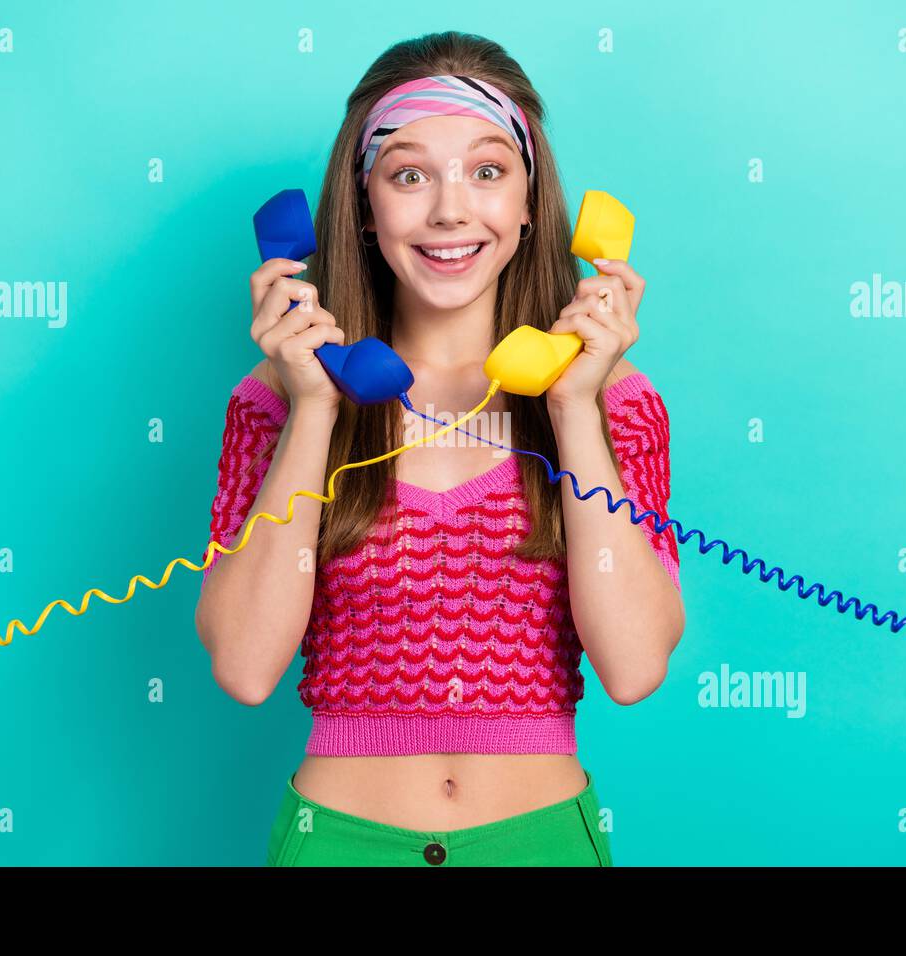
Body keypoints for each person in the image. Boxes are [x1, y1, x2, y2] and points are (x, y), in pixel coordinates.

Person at [194, 31, 685, 867]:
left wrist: (572, 410)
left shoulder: (611, 400)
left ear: (533, 202)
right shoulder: (279, 395)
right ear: (362, 203)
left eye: (488, 171)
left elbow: (634, 666)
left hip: (539, 842)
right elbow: (244, 667)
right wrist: (313, 409)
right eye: (410, 174)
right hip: (337, 842)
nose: (450, 210)